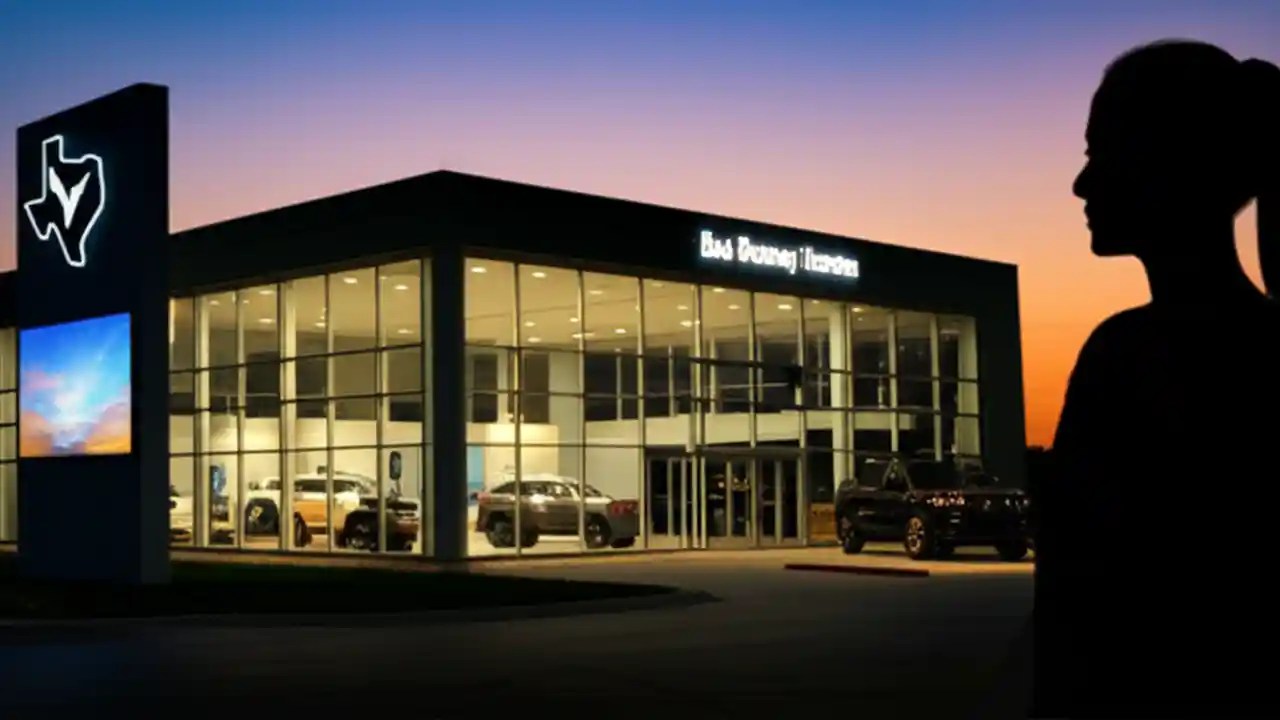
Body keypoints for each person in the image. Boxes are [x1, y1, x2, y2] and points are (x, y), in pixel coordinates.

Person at [1031, 40, 1279, 718]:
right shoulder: (1253, 350)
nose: (1082, 184)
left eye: (1098, 152)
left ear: (1168, 160)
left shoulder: (1124, 358)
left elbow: (1079, 612)